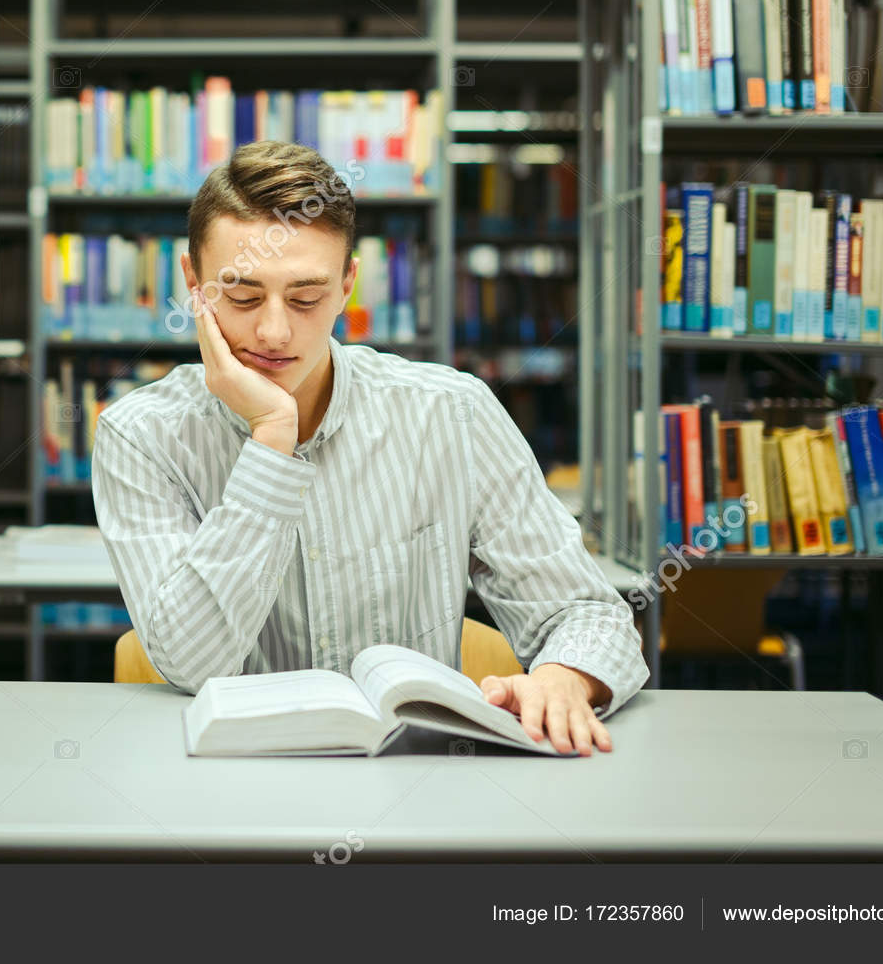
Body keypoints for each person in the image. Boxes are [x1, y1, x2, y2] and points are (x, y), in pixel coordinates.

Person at [91, 141, 648, 756]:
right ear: (194, 284)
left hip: (415, 780)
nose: (274, 332)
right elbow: (191, 661)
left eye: (306, 298)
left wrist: (565, 678)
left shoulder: (451, 412)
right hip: (232, 788)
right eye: (243, 296)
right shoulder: (140, 436)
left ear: (347, 286)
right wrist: (272, 438)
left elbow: (587, 613)